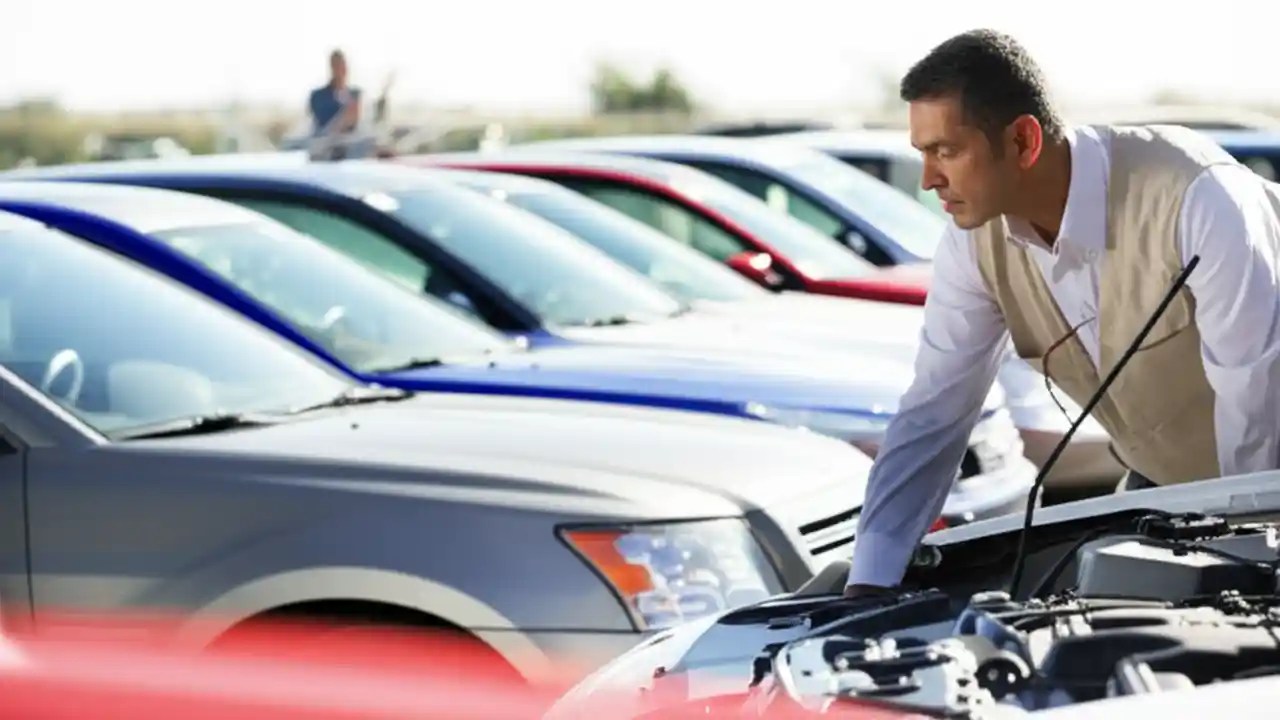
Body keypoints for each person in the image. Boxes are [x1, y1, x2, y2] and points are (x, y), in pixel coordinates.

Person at [844, 29, 1280, 598]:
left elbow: (1258, 405)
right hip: (1172, 492)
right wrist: (869, 581)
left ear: (1024, 141)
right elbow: (934, 410)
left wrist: (1251, 574)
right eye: (922, 154)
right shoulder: (971, 241)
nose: (928, 180)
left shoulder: (1198, 195)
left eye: (946, 151)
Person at [308, 49, 362, 139]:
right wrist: (343, 119)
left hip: (353, 143)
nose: (341, 70)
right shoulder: (319, 96)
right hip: (328, 144)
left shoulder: (354, 95)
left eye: (343, 66)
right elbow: (322, 125)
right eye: (337, 66)